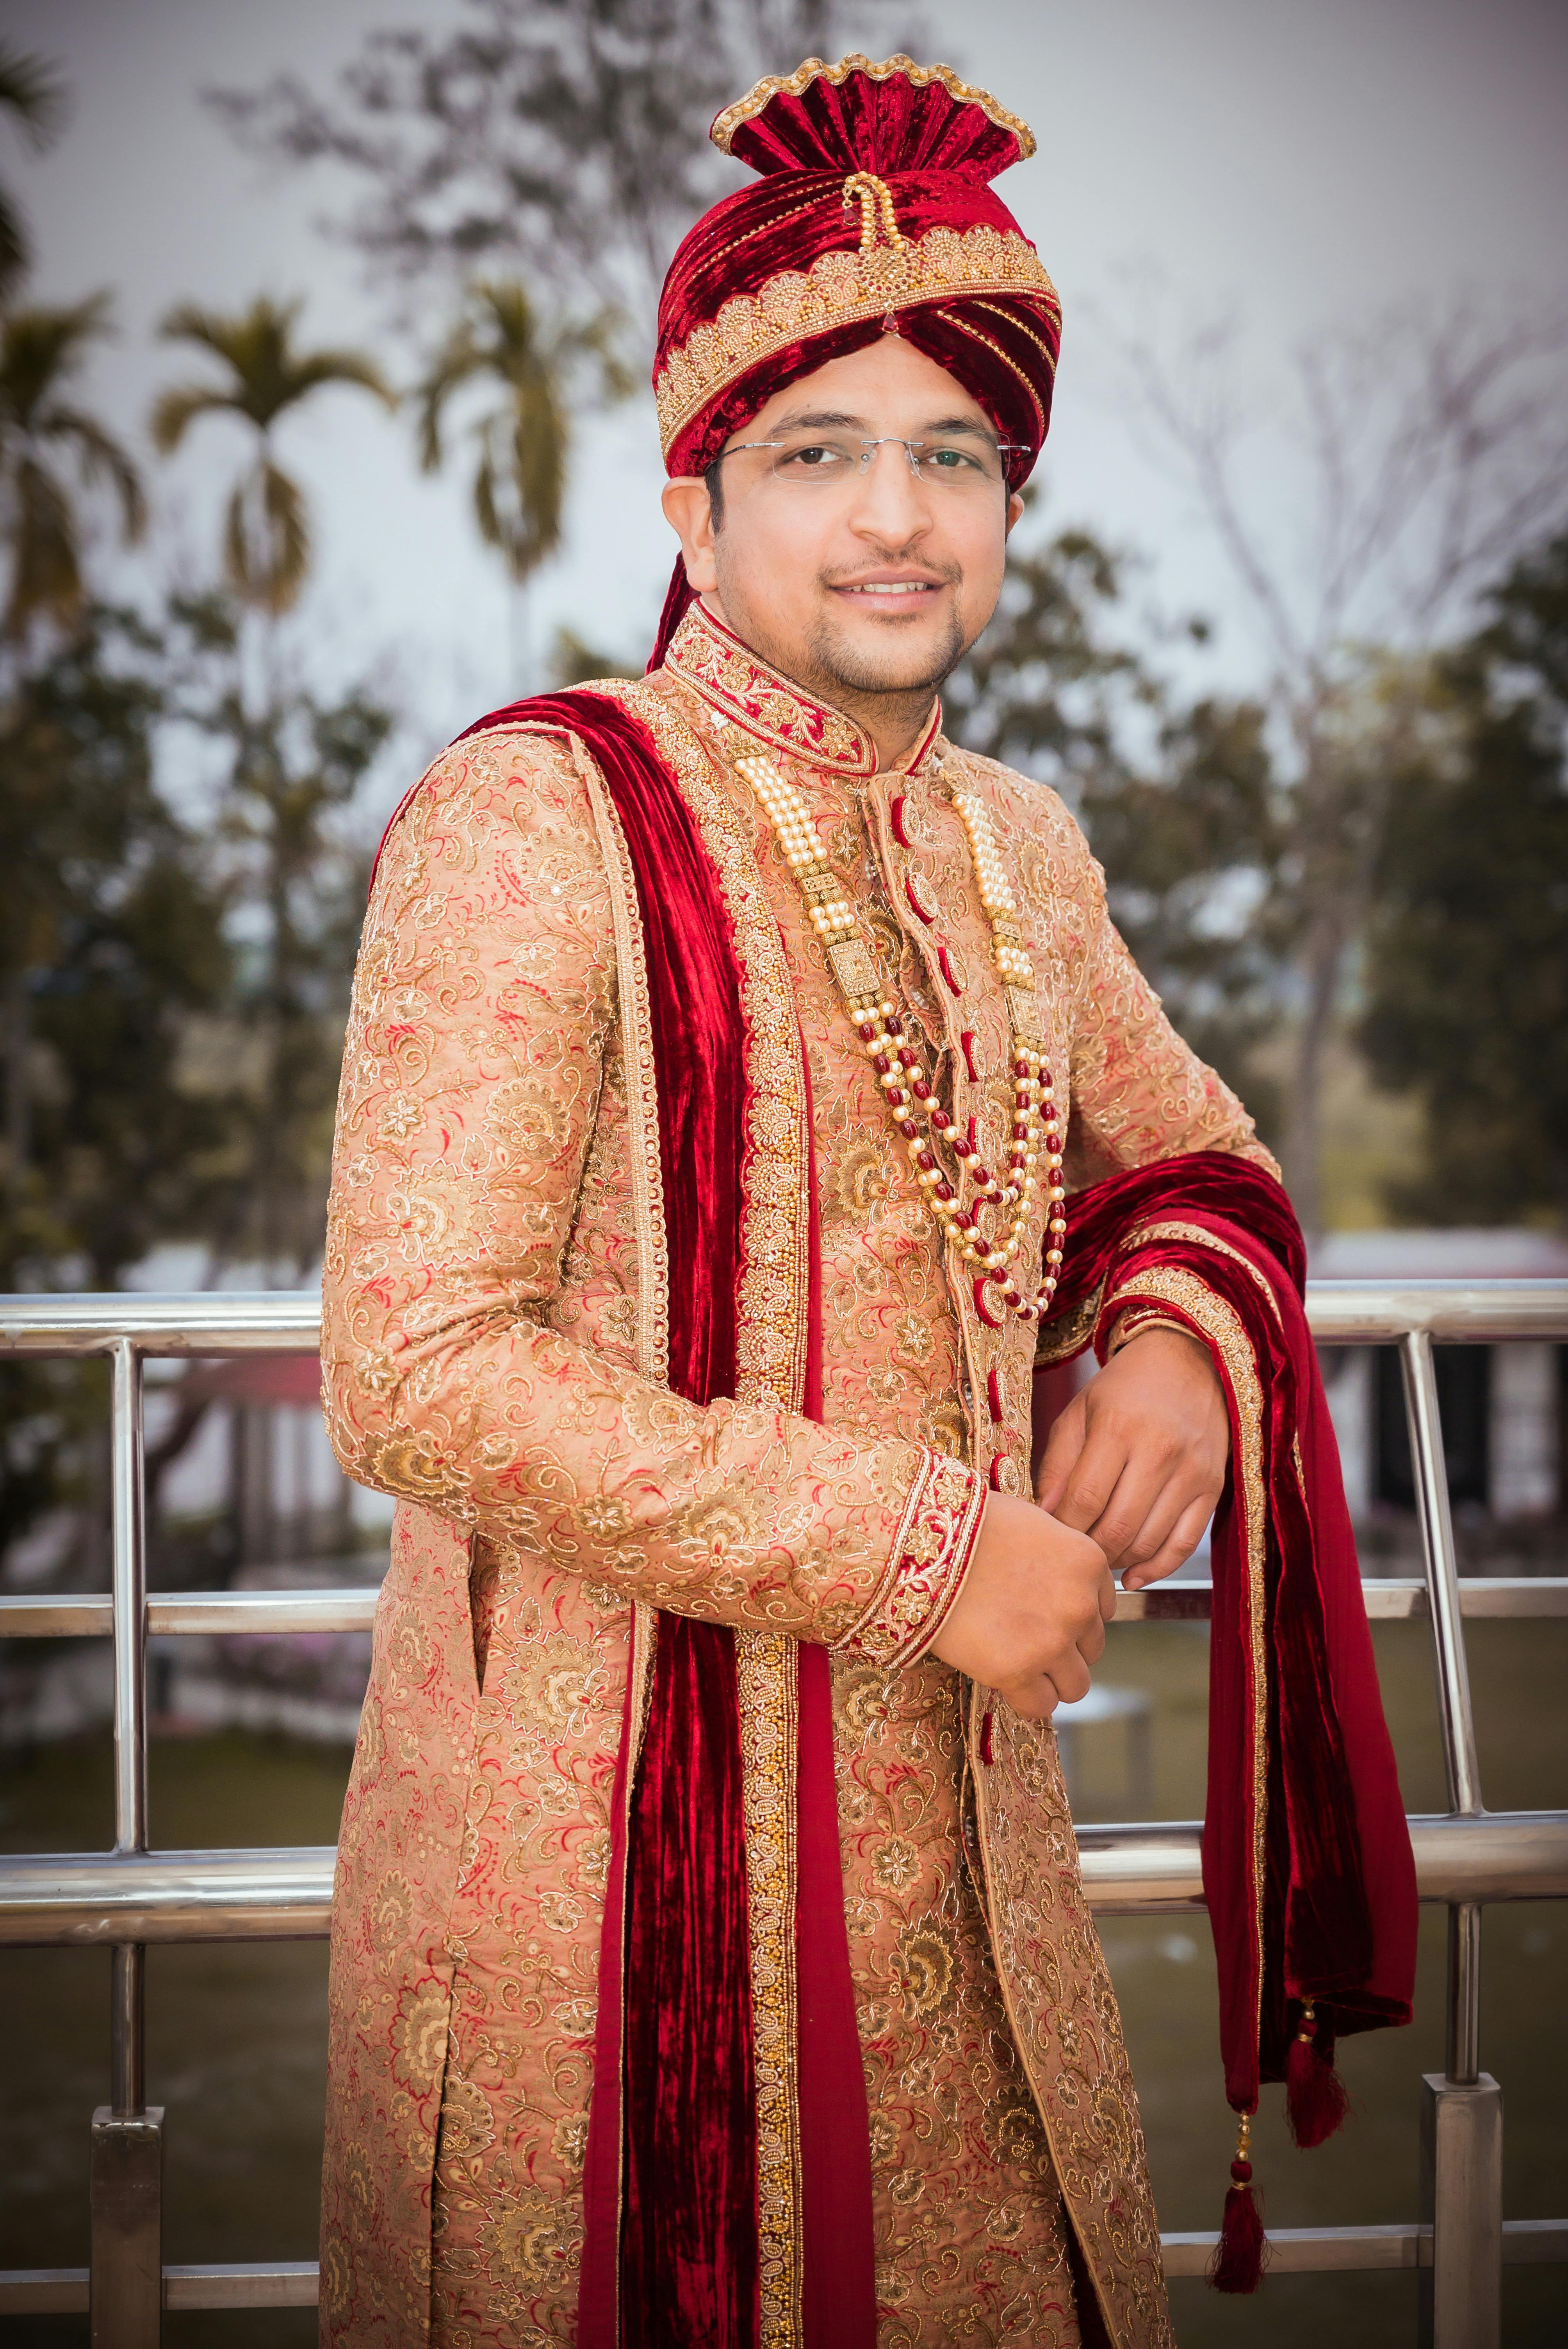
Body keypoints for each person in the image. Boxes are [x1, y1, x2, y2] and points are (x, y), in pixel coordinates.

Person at [317, 54, 1415, 2349]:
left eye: (956, 454)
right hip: (604, 1900)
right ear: (697, 507)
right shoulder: (542, 818)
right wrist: (929, 1554)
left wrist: (1183, 1348)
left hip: (975, 1919)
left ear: (1013, 501)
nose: (897, 516)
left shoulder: (1015, 846)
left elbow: (1200, 1159)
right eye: (821, 453)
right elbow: (414, 1363)